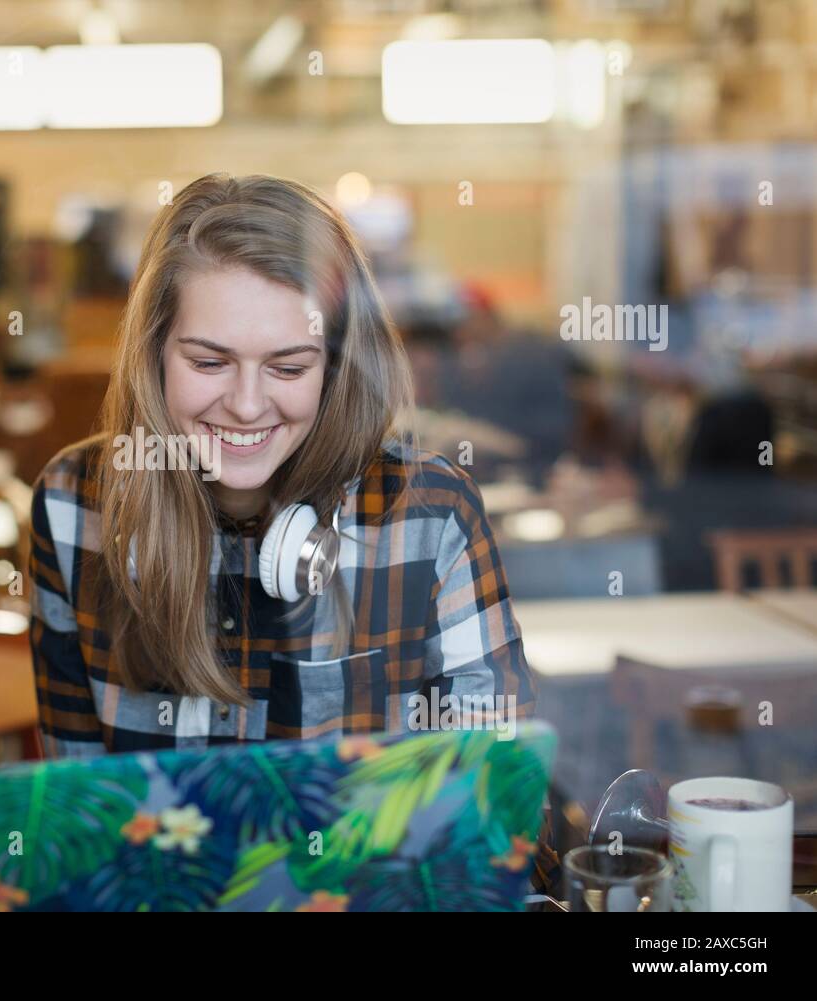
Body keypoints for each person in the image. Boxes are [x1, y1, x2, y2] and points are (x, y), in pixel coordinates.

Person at [27, 173, 558, 895]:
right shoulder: (72, 506)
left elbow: (500, 828)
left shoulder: (429, 514)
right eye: (209, 361)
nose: (246, 405)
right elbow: (80, 836)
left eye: (288, 365)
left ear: (336, 366)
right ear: (152, 352)